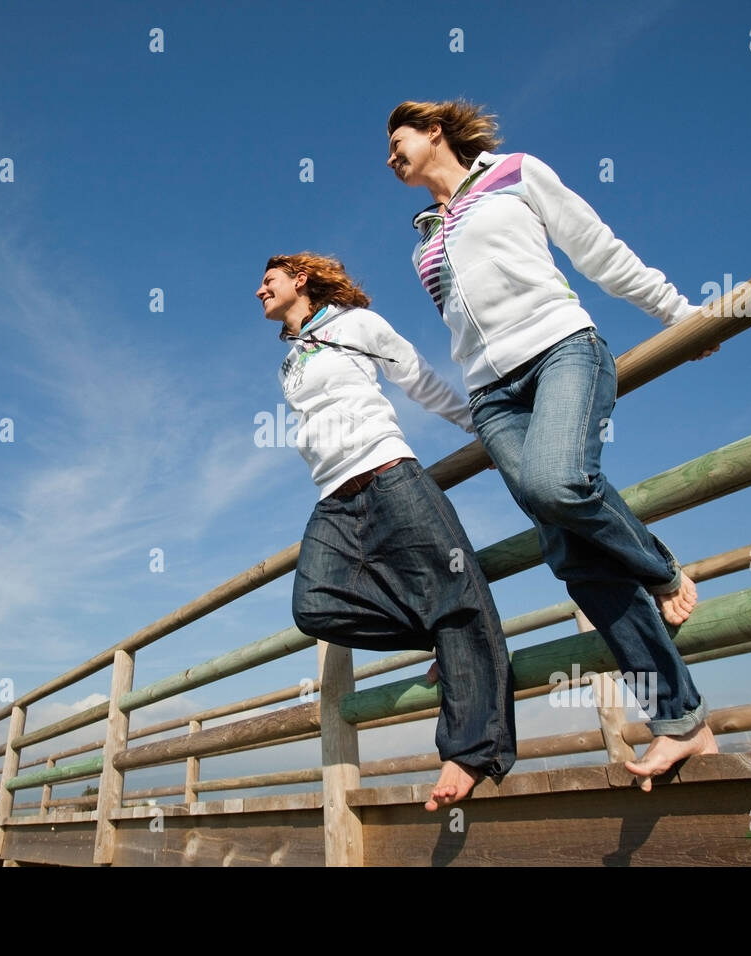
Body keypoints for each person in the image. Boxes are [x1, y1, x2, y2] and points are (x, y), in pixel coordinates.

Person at [385, 99, 719, 791]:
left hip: (561, 348)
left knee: (556, 484)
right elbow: (463, 332)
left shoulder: (514, 173)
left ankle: (659, 566)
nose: (391, 156)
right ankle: (683, 724)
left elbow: (599, 251)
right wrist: (470, 418)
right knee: (572, 554)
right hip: (490, 394)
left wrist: (680, 315)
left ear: (435, 132)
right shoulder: (422, 241)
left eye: (399, 140)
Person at [257, 252, 516, 810]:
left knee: (459, 598)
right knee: (316, 605)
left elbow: (417, 377)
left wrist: (479, 426)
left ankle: (471, 752)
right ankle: (449, 640)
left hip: (387, 472)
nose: (260, 291)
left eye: (269, 280)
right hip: (333, 498)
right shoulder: (288, 363)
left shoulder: (355, 325)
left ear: (300, 280)